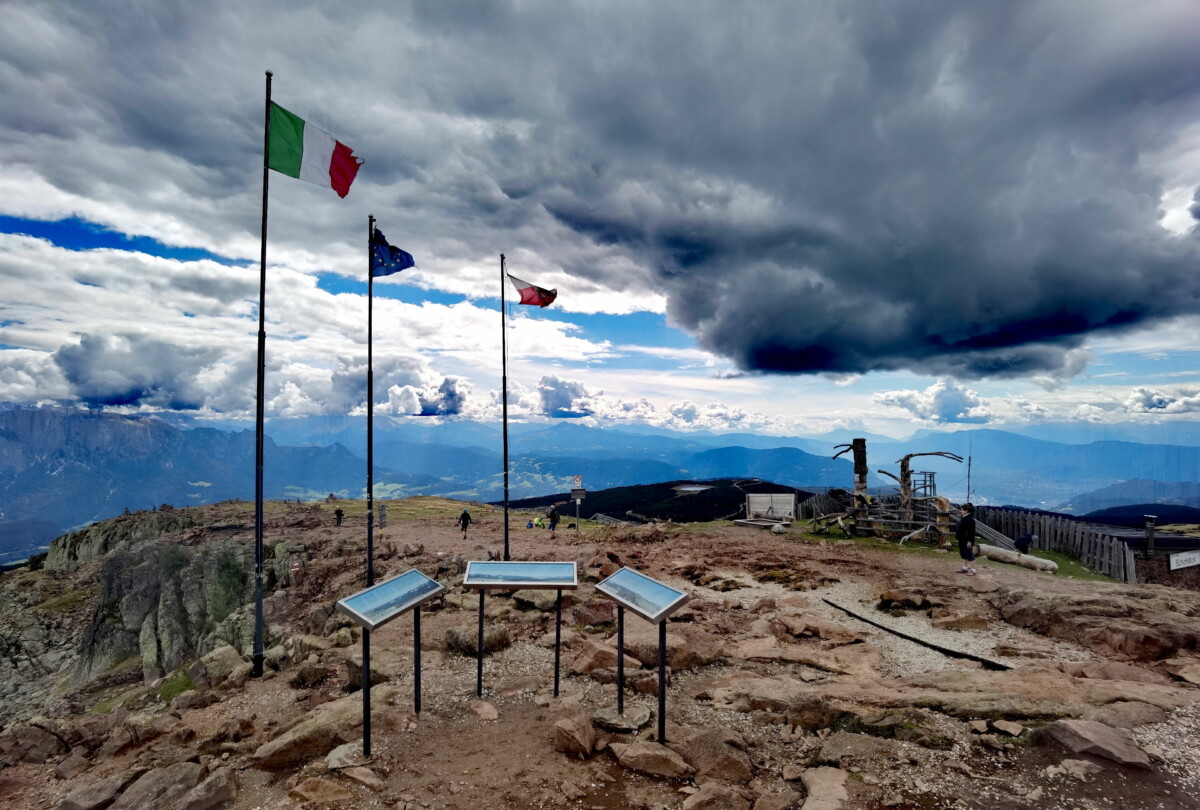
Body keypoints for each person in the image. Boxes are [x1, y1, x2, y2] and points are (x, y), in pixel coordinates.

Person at [956, 503, 977, 575]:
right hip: (961, 539)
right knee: (964, 554)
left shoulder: (970, 520)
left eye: (962, 510)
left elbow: (971, 532)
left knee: (969, 554)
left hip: (967, 540)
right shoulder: (963, 518)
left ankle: (973, 570)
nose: (961, 511)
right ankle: (965, 568)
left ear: (967, 511)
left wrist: (970, 541)